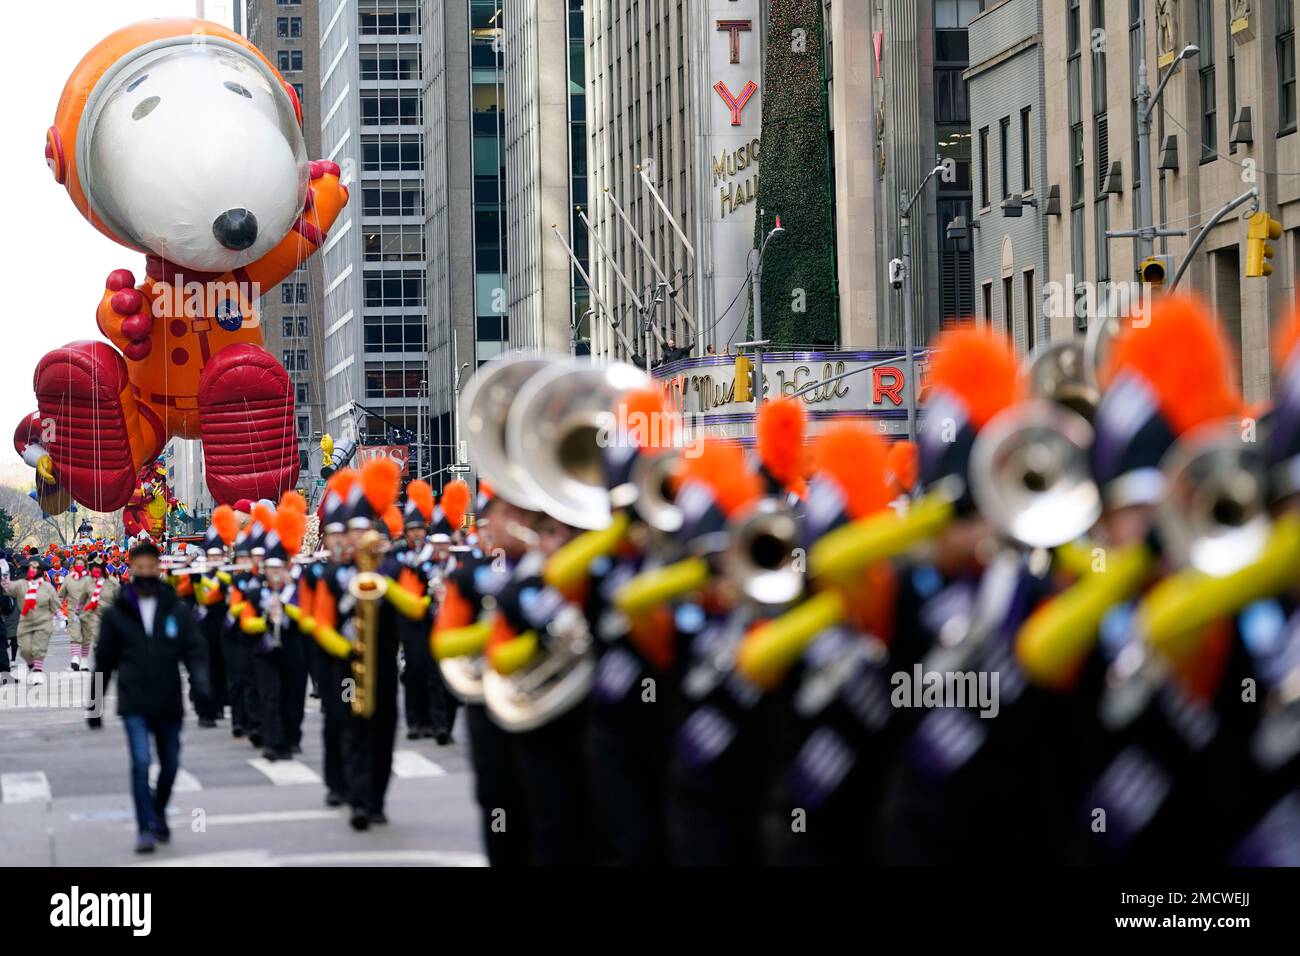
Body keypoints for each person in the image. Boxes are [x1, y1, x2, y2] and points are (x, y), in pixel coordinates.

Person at [87, 541, 211, 854]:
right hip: (134, 700)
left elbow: (194, 650)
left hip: (168, 698)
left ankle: (158, 811)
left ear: (159, 570)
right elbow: (104, 660)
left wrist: (202, 686)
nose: (144, 574)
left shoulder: (175, 607)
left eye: (150, 569)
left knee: (170, 765)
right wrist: (95, 706)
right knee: (141, 762)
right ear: (130, 570)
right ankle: (144, 828)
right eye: (138, 569)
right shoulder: (118, 613)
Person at [5, 557, 60, 683]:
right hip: (25, 621)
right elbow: (7, 589)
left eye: (36, 568)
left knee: (38, 647)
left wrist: (59, 617)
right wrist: (3, 573)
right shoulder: (21, 584)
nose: (34, 570)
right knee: (25, 650)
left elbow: (55, 603)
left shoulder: (46, 586)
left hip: (43, 620)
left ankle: (38, 672)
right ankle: (32, 666)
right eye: (31, 568)